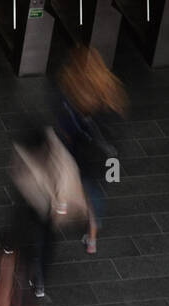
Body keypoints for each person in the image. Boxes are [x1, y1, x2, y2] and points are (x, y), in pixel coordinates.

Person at [54, 46, 125, 256]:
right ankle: (92, 237)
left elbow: (67, 125)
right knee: (93, 189)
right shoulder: (111, 88)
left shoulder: (74, 91)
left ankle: (63, 206)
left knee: (74, 179)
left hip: (81, 150)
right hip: (103, 154)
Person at [5, 125, 87, 298]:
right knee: (26, 226)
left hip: (48, 207)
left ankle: (38, 278)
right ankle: (11, 243)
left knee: (44, 241)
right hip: (36, 200)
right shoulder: (41, 151)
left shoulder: (58, 160)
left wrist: (59, 209)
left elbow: (64, 186)